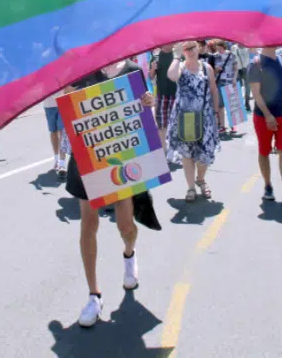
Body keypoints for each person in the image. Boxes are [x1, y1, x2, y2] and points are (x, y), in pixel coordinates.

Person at [66, 58, 154, 328]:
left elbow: (142, 114)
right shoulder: (84, 69)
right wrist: (67, 87)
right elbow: (71, 101)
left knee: (125, 224)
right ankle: (94, 295)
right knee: (88, 224)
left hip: (122, 158)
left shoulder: (132, 72)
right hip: (88, 155)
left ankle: (129, 254)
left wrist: (147, 103)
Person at [167, 41, 221, 203]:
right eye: (186, 49)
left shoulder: (206, 68)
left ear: (199, 48)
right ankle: (191, 187)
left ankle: (201, 179)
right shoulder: (181, 67)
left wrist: (216, 112)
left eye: (192, 47)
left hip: (204, 118)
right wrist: (176, 57)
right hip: (185, 119)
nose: (189, 51)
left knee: (204, 154)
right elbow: (172, 76)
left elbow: (213, 90)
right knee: (187, 154)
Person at [248, 47, 282, 203]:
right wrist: (267, 115)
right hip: (263, 117)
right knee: (264, 152)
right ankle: (268, 185)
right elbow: (256, 94)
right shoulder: (255, 63)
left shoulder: (281, 60)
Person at [151, 44, 178, 151]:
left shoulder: (177, 57)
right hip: (161, 94)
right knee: (162, 124)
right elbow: (151, 76)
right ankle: (164, 150)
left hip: (176, 94)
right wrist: (153, 69)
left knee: (175, 123)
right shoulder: (156, 57)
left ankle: (174, 150)